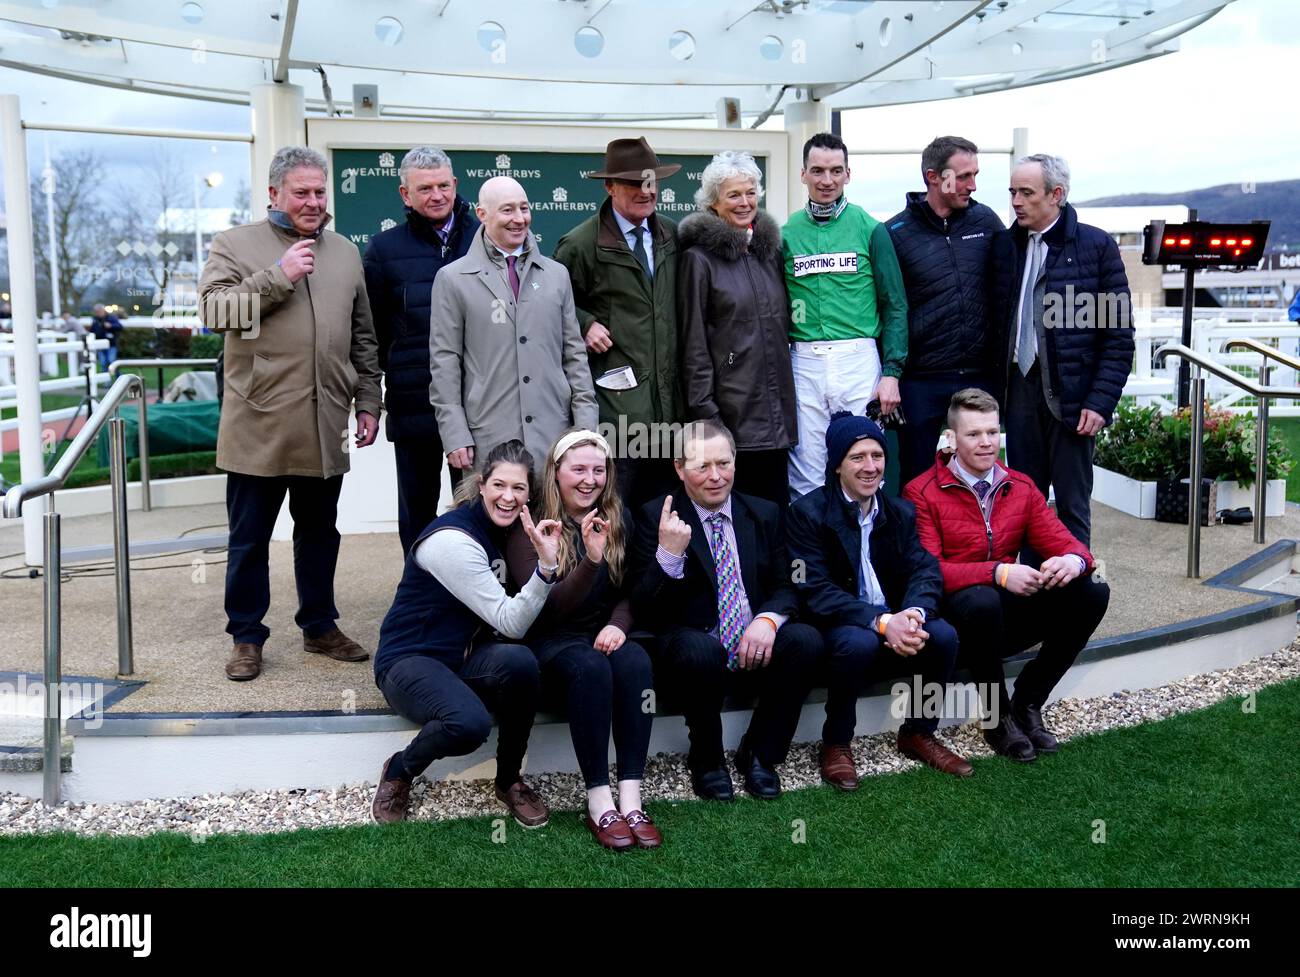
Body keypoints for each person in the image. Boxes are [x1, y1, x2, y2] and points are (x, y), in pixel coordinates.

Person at [199, 145, 383, 682]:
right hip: (257, 423)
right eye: (300, 192)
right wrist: (277, 275)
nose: (312, 202)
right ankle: (247, 637)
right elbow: (215, 312)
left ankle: (320, 626)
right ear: (274, 193)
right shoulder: (235, 244)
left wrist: (368, 400)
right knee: (250, 538)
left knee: (320, 533)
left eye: (319, 192)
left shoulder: (347, 252)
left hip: (325, 423)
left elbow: (363, 336)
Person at [903, 388, 1109, 760]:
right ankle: (996, 719)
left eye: (992, 433)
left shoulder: (1020, 485)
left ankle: (1027, 703)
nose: (986, 443)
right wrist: (998, 572)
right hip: (955, 621)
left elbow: (1072, 545)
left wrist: (1072, 562)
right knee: (982, 600)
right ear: (950, 438)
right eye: (974, 434)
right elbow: (929, 572)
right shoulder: (921, 493)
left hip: (1003, 616)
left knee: (1093, 589)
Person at [629, 419, 823, 801]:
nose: (716, 476)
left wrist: (768, 620)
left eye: (724, 463)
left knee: (806, 640)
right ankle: (707, 759)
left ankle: (760, 754)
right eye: (702, 466)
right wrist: (669, 554)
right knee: (701, 651)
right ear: (679, 468)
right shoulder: (655, 517)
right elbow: (643, 606)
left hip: (755, 639)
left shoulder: (764, 513)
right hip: (693, 644)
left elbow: (789, 585)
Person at [371, 440, 559, 828]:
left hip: (462, 657)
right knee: (468, 723)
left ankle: (509, 781)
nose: (508, 497)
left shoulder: (504, 531)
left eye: (518, 488)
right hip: (410, 660)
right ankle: (400, 769)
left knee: (521, 663)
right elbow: (511, 622)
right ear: (481, 485)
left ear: (529, 495)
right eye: (499, 486)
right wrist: (546, 568)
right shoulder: (453, 540)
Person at [787, 411, 969, 790]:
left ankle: (919, 732)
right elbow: (814, 588)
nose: (870, 467)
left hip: (895, 619)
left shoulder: (900, 511)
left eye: (877, 455)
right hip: (841, 626)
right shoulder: (807, 514)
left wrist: (914, 614)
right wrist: (883, 622)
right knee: (858, 642)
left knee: (945, 635)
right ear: (837, 465)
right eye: (858, 457)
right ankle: (836, 742)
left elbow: (925, 570)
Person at [504, 429, 659, 850]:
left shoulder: (616, 517)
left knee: (636, 661)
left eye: (598, 469)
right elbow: (551, 609)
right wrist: (591, 559)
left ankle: (631, 796)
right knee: (590, 667)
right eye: (578, 469)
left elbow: (629, 589)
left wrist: (620, 625)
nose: (589, 479)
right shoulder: (532, 526)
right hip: (551, 639)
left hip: (601, 630)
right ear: (556, 473)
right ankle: (599, 800)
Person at [993, 153, 1135, 547]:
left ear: (1056, 194)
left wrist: (1100, 401)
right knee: (1024, 504)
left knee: (1072, 508)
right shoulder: (1006, 247)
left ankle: (1074, 600)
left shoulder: (1096, 247)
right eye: (1012, 192)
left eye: (1026, 192)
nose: (1016, 201)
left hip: (1074, 400)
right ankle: (1030, 595)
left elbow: (1119, 335)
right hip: (1019, 392)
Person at [430, 176, 597, 475]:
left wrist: (585, 429)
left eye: (524, 208)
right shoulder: (453, 279)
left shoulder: (556, 275)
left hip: (554, 438)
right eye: (508, 210)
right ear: (482, 214)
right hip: (488, 439)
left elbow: (575, 356)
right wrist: (454, 433)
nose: (519, 219)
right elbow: (445, 363)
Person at [554, 137, 682, 510]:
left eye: (650, 182)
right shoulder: (579, 244)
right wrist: (582, 322)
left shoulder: (673, 236)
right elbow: (549, 304)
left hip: (670, 411)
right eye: (632, 184)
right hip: (618, 413)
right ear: (610, 187)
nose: (645, 192)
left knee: (664, 515)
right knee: (617, 518)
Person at [363, 146, 480, 555]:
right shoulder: (382, 250)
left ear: (455, 186)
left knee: (478, 509)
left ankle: (476, 602)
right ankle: (420, 599)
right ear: (405, 194)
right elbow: (374, 334)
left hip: (478, 403)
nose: (436, 195)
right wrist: (371, 398)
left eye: (443, 185)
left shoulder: (487, 238)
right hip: (415, 406)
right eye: (425, 188)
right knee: (417, 513)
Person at [783, 132, 909, 502]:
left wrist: (892, 373)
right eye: (818, 171)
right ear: (803, 173)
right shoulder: (786, 233)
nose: (827, 180)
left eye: (836, 171)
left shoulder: (872, 229)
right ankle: (813, 558)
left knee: (866, 464)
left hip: (858, 360)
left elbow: (895, 305)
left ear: (848, 174)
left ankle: (867, 558)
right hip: (804, 360)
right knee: (806, 468)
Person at [677, 150, 798, 505]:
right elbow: (693, 345)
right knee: (738, 522)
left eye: (750, 192)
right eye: (733, 194)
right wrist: (710, 419)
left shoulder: (769, 253)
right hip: (731, 424)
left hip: (777, 424)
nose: (744, 202)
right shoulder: (698, 260)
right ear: (713, 202)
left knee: (775, 519)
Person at [886, 136, 1005, 487]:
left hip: (980, 374)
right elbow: (888, 306)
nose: (973, 185)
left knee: (982, 472)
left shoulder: (987, 222)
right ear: (933, 176)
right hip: (920, 379)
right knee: (916, 480)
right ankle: (917, 544)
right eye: (964, 176)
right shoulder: (895, 233)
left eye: (975, 175)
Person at [90, 303, 123, 371]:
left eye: (99, 311)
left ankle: (119, 377)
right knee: (103, 363)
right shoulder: (95, 319)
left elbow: (120, 326)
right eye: (96, 311)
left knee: (112, 361)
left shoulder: (111, 317)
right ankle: (106, 380)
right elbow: (93, 330)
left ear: (103, 310)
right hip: (100, 344)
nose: (98, 313)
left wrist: (111, 325)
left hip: (111, 344)